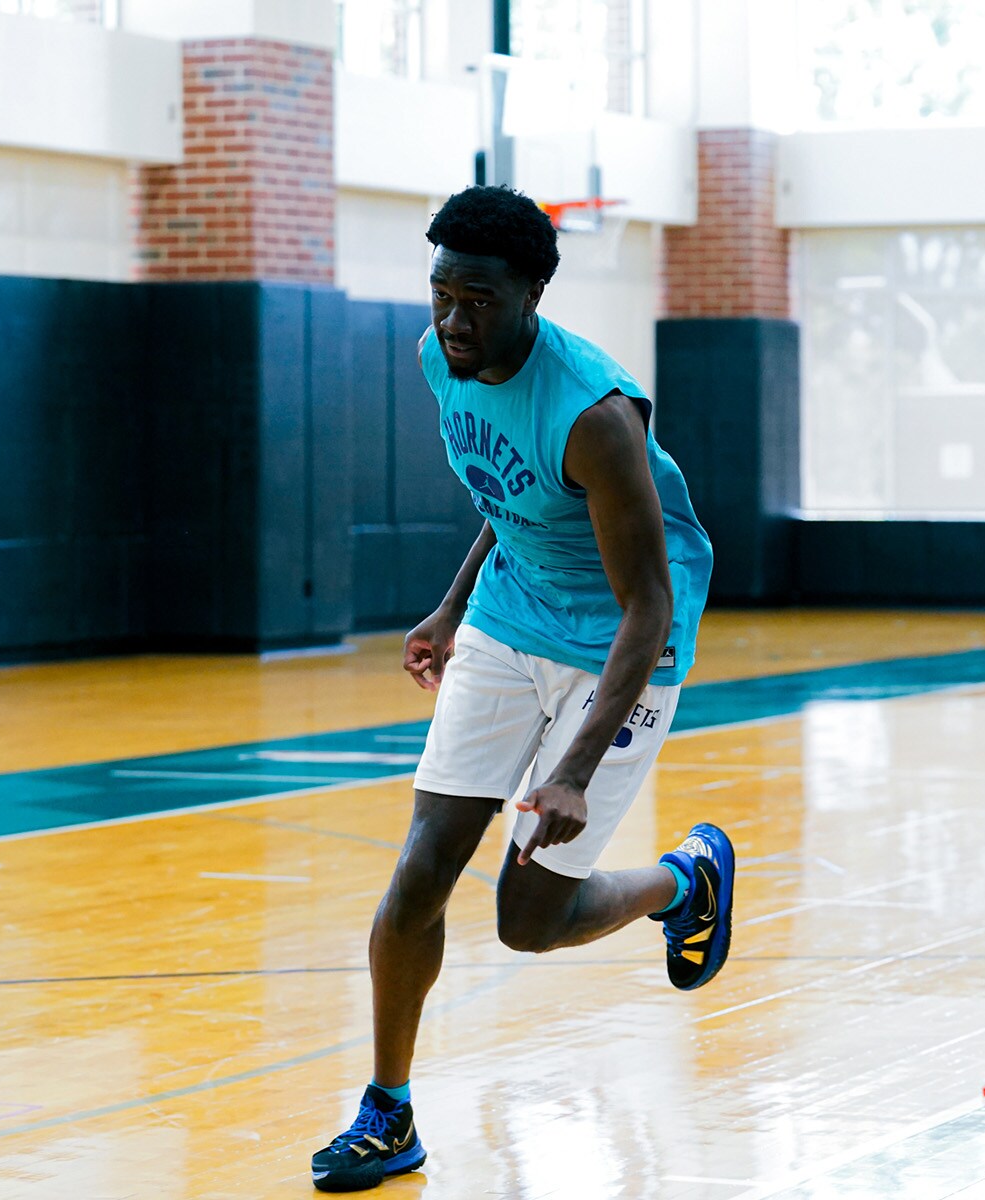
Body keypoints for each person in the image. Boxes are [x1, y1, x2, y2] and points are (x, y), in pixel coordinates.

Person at [310, 185, 730, 1193]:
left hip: (617, 648)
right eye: (441, 294)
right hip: (508, 621)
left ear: (534, 290)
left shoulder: (596, 416)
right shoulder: (437, 357)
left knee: (527, 921)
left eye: (479, 300)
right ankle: (389, 1110)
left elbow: (648, 611)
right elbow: (512, 493)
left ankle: (685, 881)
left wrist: (575, 767)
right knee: (421, 871)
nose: (454, 320)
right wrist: (451, 608)